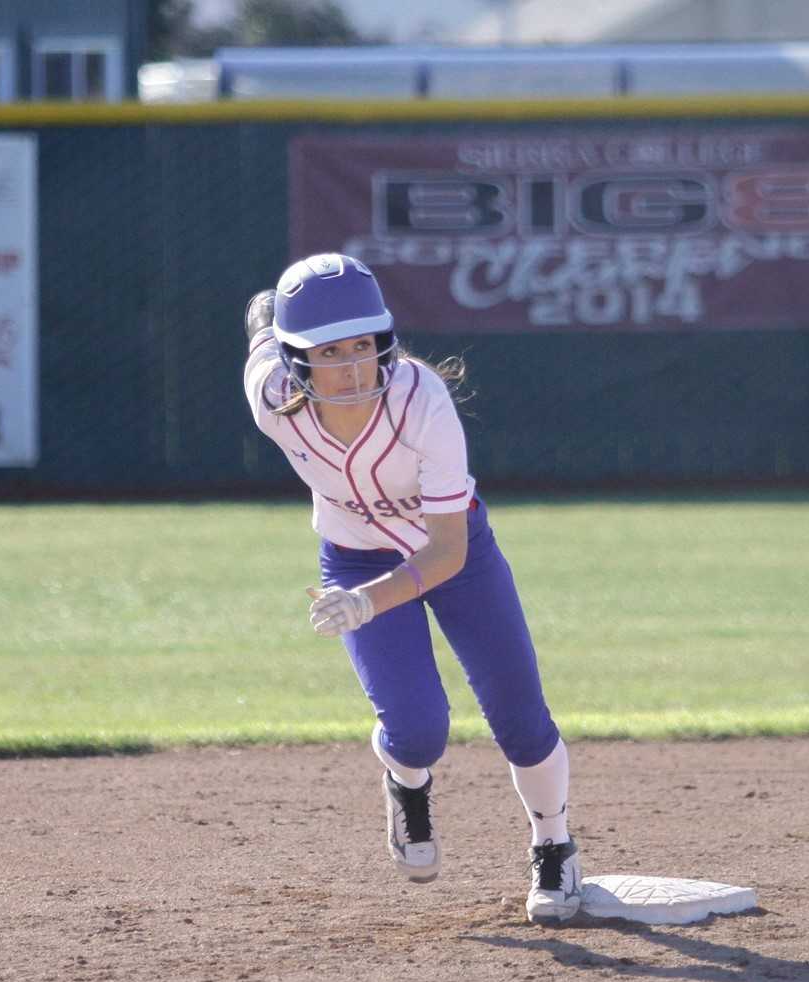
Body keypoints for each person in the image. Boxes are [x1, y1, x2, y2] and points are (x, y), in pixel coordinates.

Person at [241, 252, 582, 924]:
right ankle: (407, 784)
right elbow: (259, 338)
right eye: (328, 350)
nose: (350, 366)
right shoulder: (274, 401)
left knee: (520, 717)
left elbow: (448, 548)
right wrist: (263, 319)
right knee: (418, 732)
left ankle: (555, 848)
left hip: (459, 555)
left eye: (363, 345)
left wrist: (368, 603)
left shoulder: (422, 402)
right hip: (355, 554)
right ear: (294, 359)